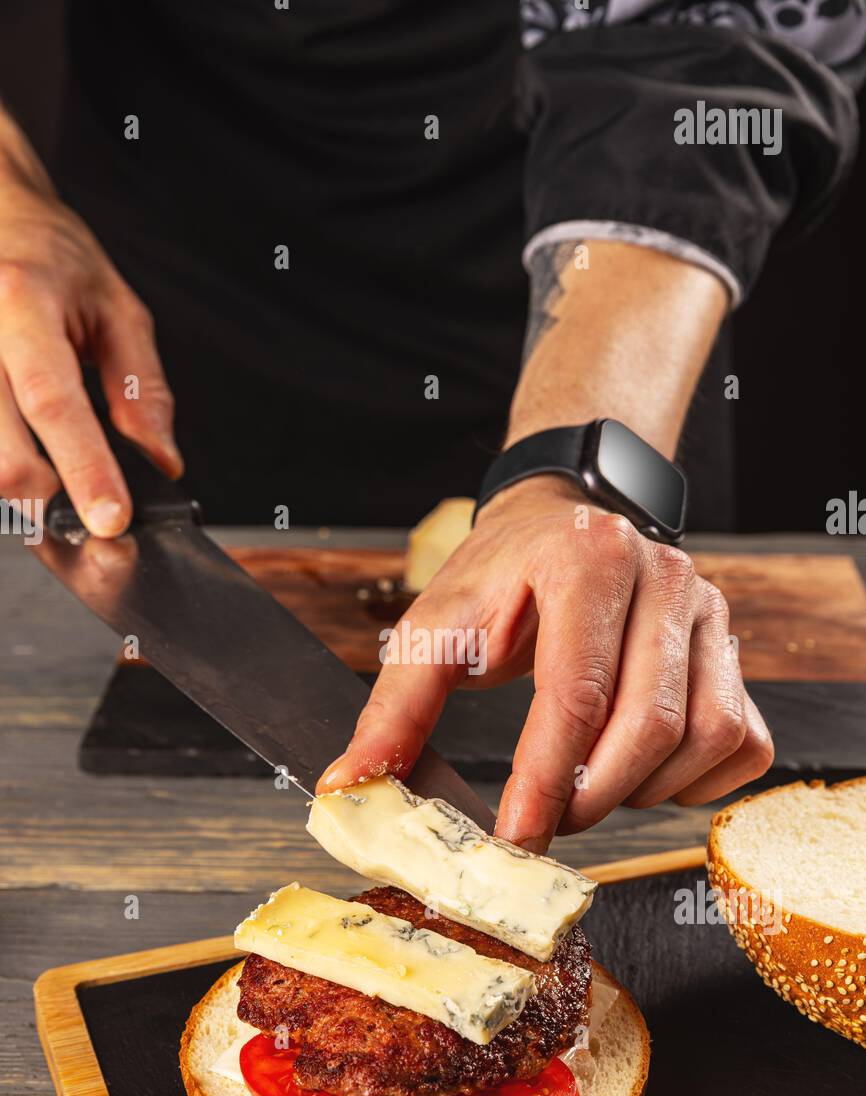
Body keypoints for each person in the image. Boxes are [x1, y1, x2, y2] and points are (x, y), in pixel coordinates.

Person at [0, 2, 862, 849]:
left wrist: (568, 468)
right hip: (168, 334)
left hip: (601, 329)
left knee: (626, 711)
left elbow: (701, 60)